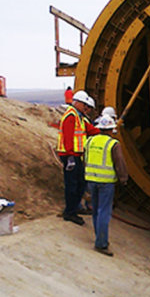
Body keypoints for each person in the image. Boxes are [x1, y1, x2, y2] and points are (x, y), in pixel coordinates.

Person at [83, 115, 129, 256]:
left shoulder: (90, 141)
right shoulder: (113, 144)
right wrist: (123, 179)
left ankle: (99, 238)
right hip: (106, 183)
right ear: (110, 129)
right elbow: (119, 163)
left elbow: (84, 159)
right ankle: (101, 244)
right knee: (104, 212)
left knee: (96, 210)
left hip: (91, 180)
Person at [56, 90, 101, 225]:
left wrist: (105, 130)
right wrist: (70, 156)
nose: (86, 108)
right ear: (77, 103)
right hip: (70, 156)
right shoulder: (71, 116)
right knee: (72, 185)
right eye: (84, 105)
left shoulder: (78, 117)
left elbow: (90, 130)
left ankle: (75, 208)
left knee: (80, 184)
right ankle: (70, 212)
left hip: (76, 156)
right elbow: (68, 137)